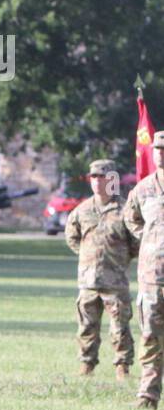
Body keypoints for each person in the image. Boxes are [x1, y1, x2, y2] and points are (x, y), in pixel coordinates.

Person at [65, 160, 135, 379]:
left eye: (102, 177)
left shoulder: (125, 210)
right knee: (86, 326)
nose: (96, 181)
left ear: (112, 179)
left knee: (119, 327)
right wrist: (89, 256)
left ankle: (122, 367)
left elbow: (136, 242)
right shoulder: (82, 210)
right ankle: (87, 364)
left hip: (115, 282)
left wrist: (117, 259)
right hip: (88, 281)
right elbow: (72, 238)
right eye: (93, 177)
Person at [124, 132, 164, 409]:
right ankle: (148, 395)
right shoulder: (143, 189)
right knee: (150, 336)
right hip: (151, 277)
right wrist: (151, 240)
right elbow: (131, 218)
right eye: (157, 149)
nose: (160, 153)